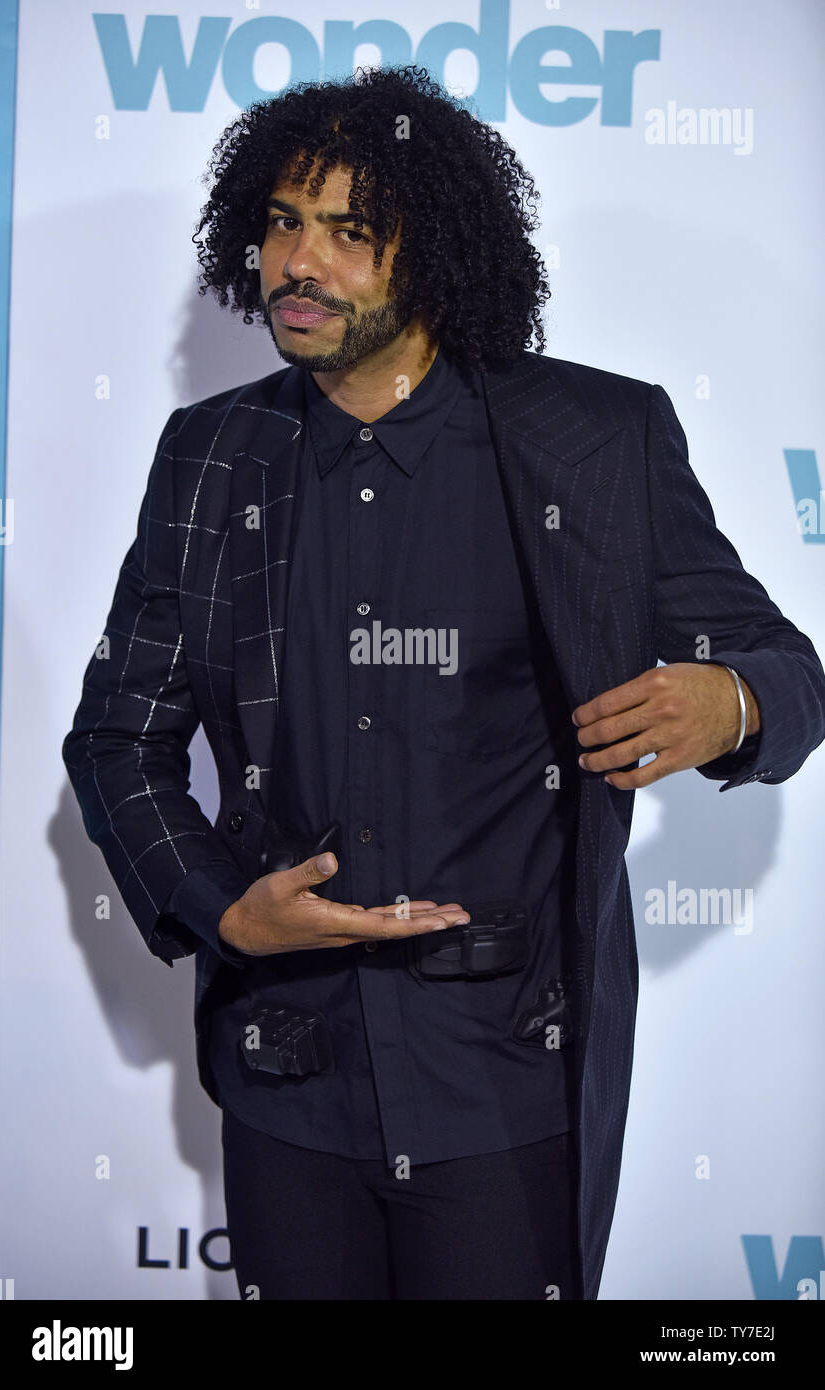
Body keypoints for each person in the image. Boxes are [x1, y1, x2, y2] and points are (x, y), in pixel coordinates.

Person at [62, 65, 825, 1301]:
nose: (298, 264)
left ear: (438, 252)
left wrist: (726, 701)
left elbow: (792, 675)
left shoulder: (595, 438)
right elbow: (114, 740)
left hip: (507, 1087)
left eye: (350, 233)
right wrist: (221, 905)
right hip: (287, 1079)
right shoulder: (208, 457)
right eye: (282, 224)